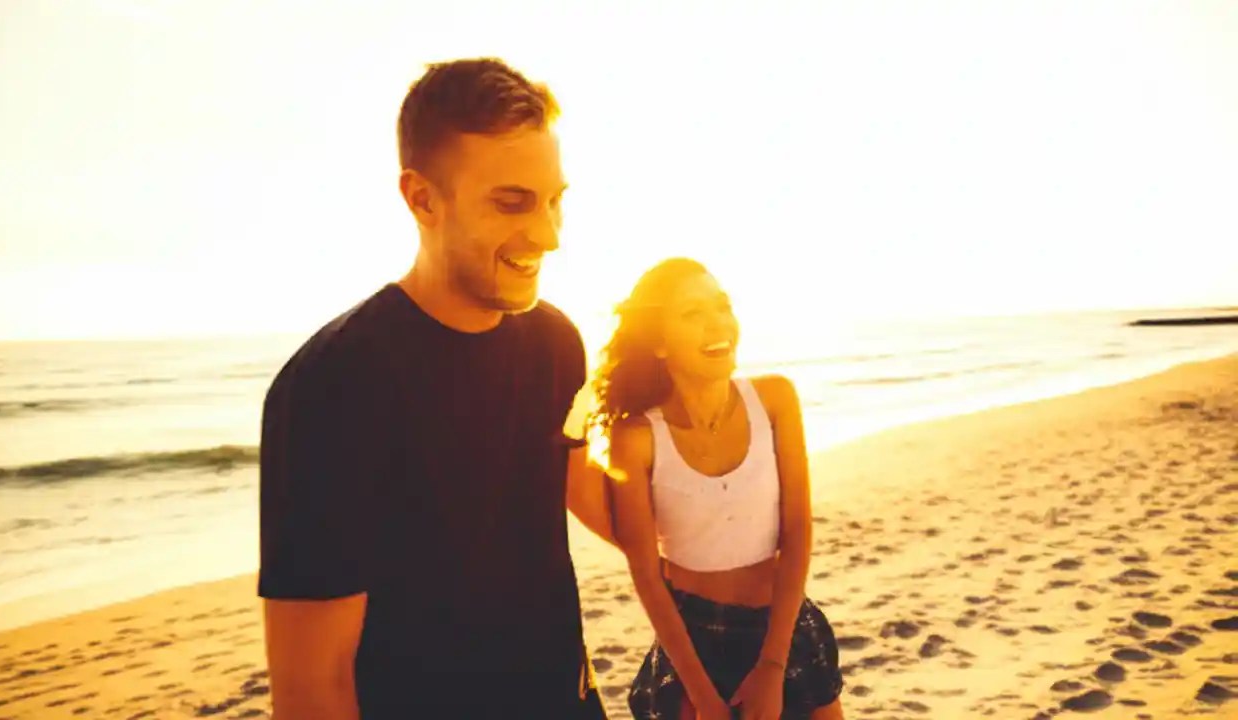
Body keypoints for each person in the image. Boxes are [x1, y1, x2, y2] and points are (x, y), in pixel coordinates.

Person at [258, 57, 612, 719]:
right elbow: (312, 687)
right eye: (512, 202)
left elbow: (576, 484)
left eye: (554, 200)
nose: (548, 235)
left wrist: (726, 505)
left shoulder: (558, 343)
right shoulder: (332, 386)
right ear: (422, 199)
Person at [590, 258, 845, 720]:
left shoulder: (776, 399)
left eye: (722, 306)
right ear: (660, 343)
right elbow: (646, 575)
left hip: (782, 623)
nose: (718, 323)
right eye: (693, 313)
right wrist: (703, 695)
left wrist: (772, 665)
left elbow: (797, 533)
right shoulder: (637, 437)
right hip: (694, 638)